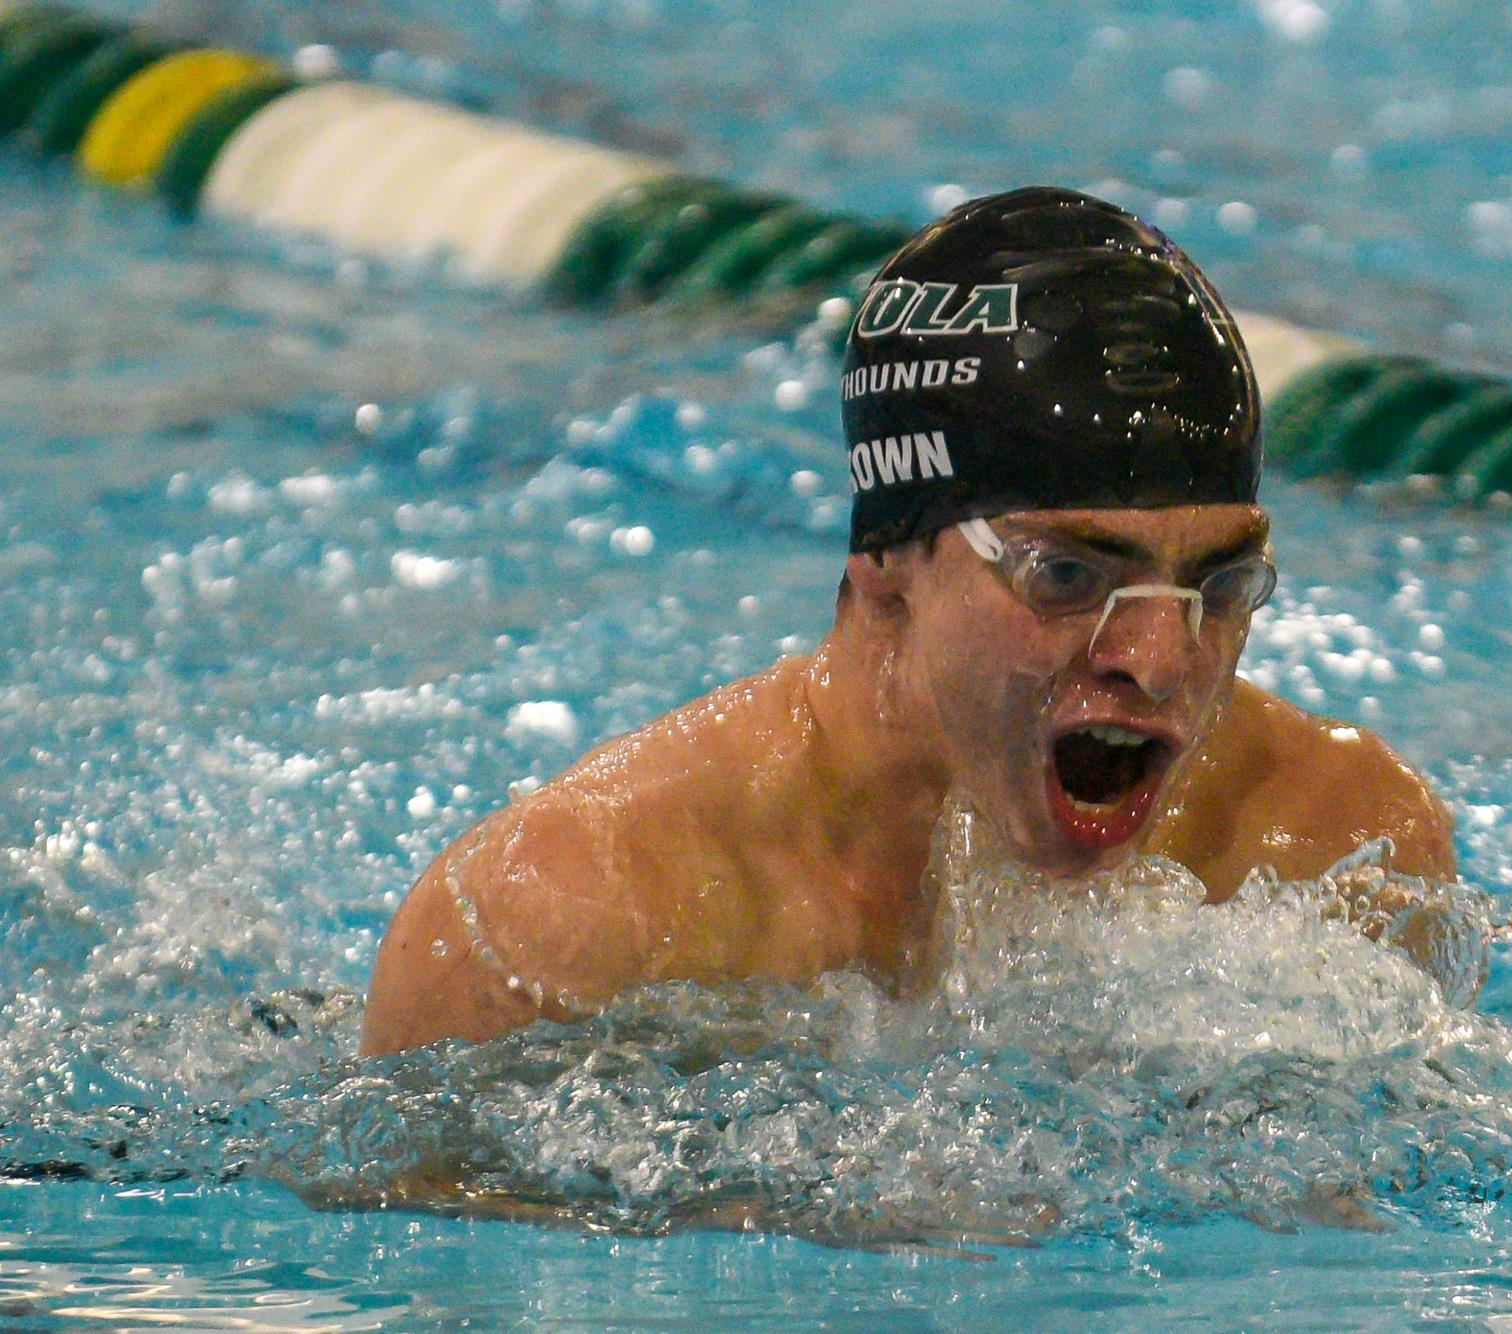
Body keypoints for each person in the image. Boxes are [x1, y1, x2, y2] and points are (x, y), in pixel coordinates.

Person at [359, 186, 1456, 1058]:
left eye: (1216, 587)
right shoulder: (564, 925)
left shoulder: (1336, 852)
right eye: (1066, 574)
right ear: (886, 573)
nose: (1159, 663)